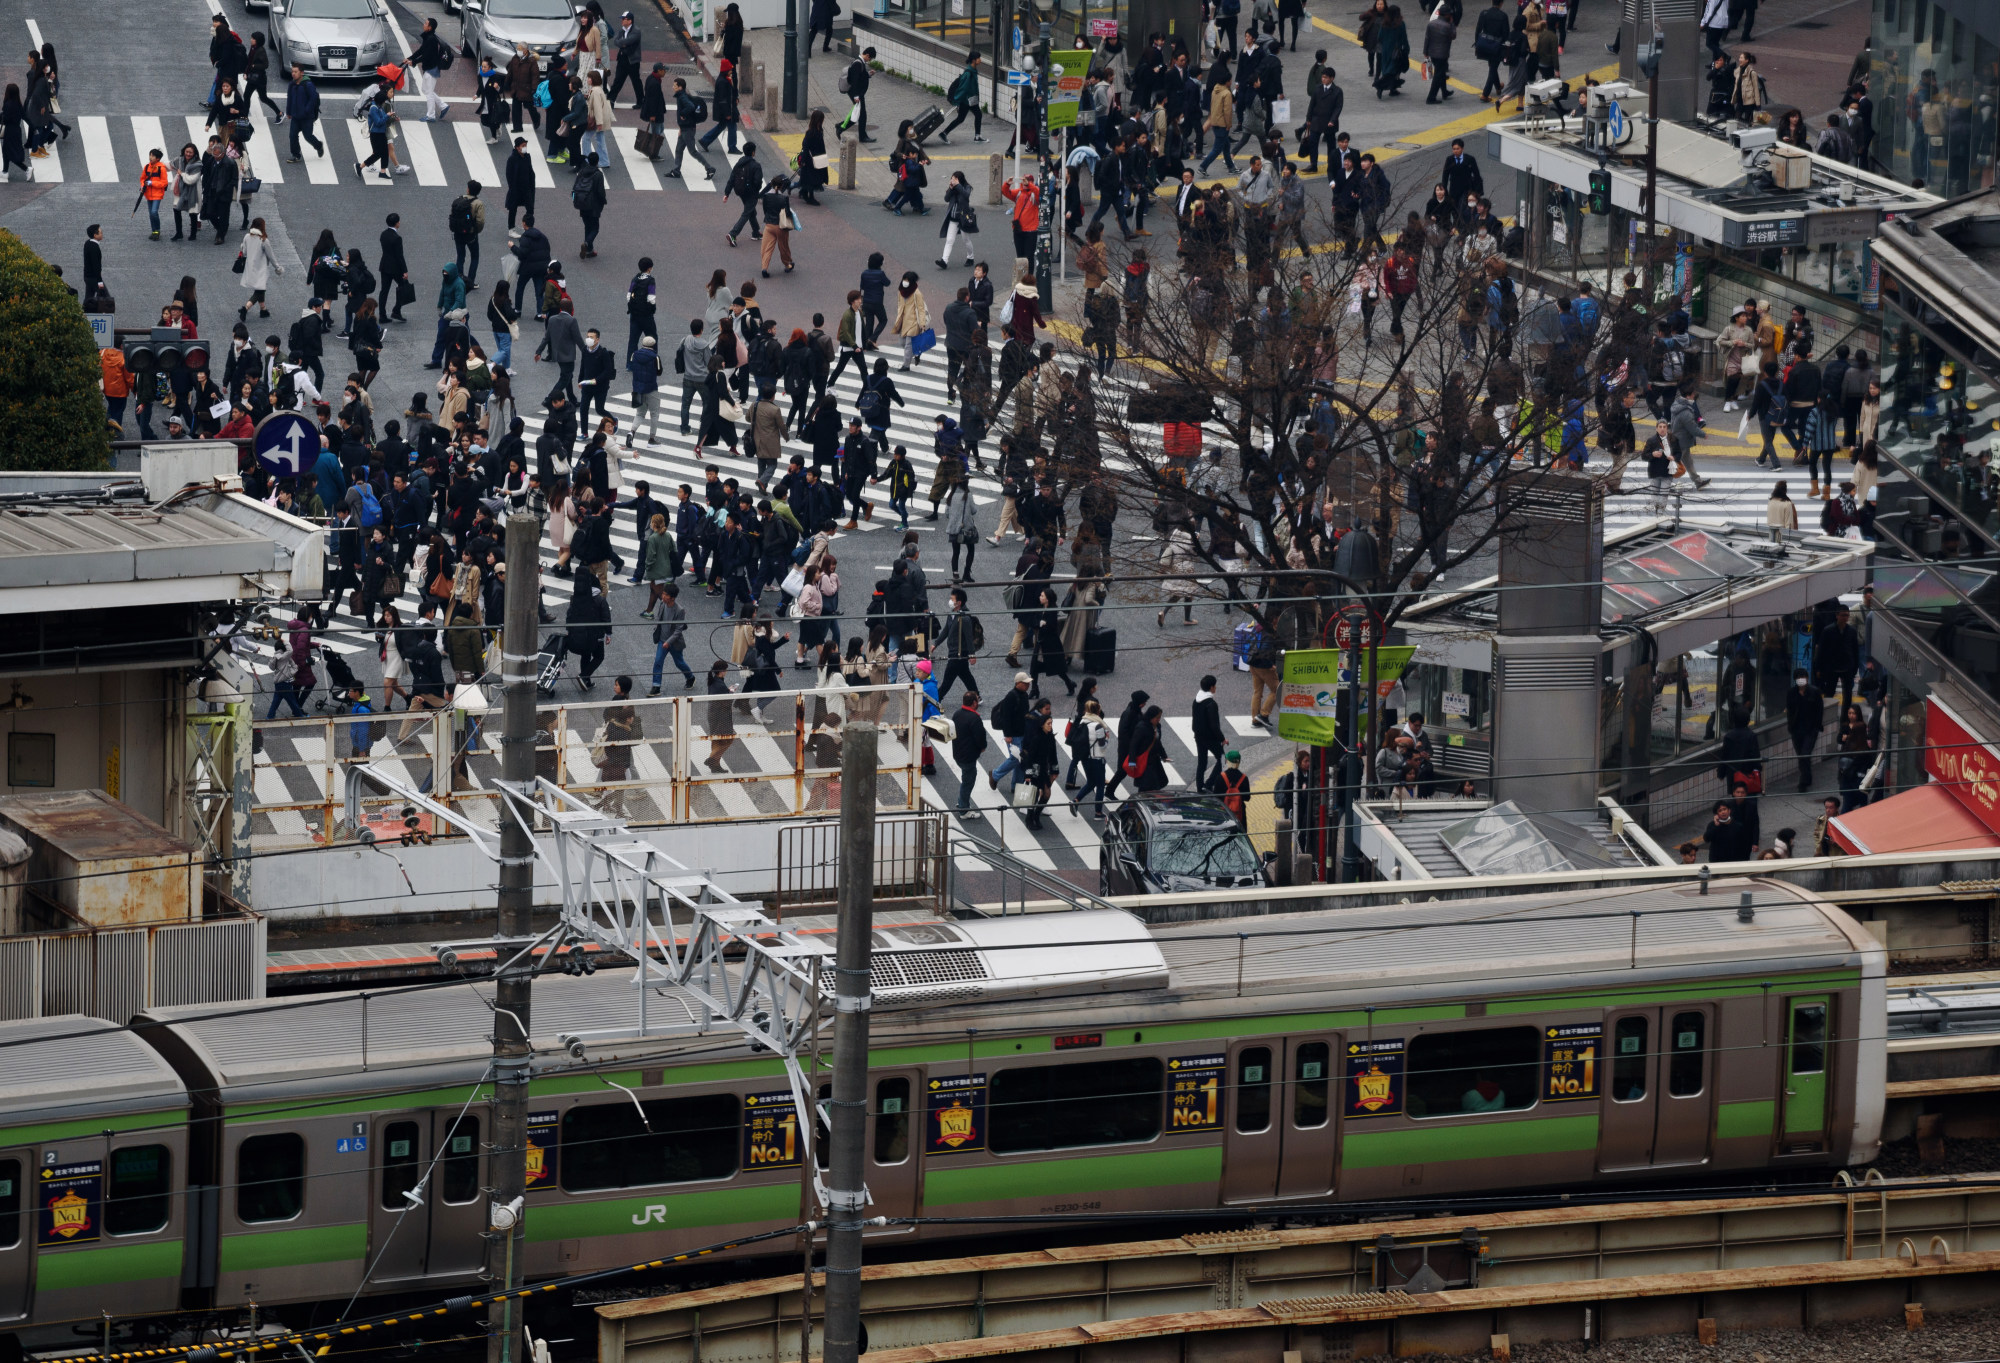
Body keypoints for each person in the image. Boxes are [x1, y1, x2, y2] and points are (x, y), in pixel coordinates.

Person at [951, 689, 989, 811]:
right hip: (968, 756)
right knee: (968, 781)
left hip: (957, 753)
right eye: (977, 701)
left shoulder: (957, 714)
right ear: (973, 703)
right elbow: (980, 737)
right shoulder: (974, 718)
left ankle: (961, 801)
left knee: (966, 778)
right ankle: (964, 809)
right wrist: (982, 747)